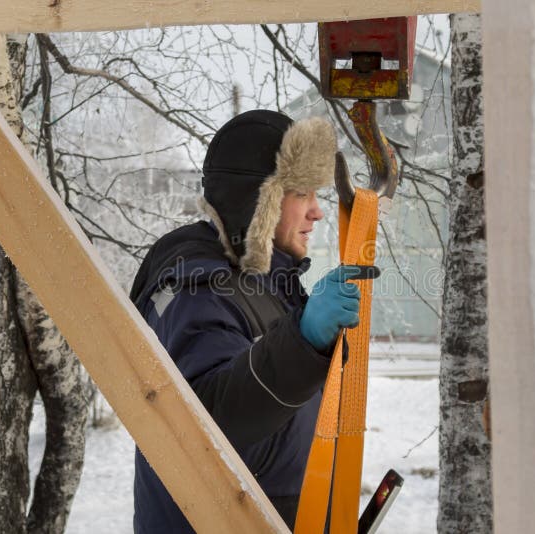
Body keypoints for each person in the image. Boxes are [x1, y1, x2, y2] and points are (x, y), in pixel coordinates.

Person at [130, 109, 364, 533]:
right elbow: (211, 425)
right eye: (301, 193)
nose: (317, 212)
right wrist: (304, 342)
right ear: (260, 202)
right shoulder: (195, 291)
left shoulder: (266, 285)